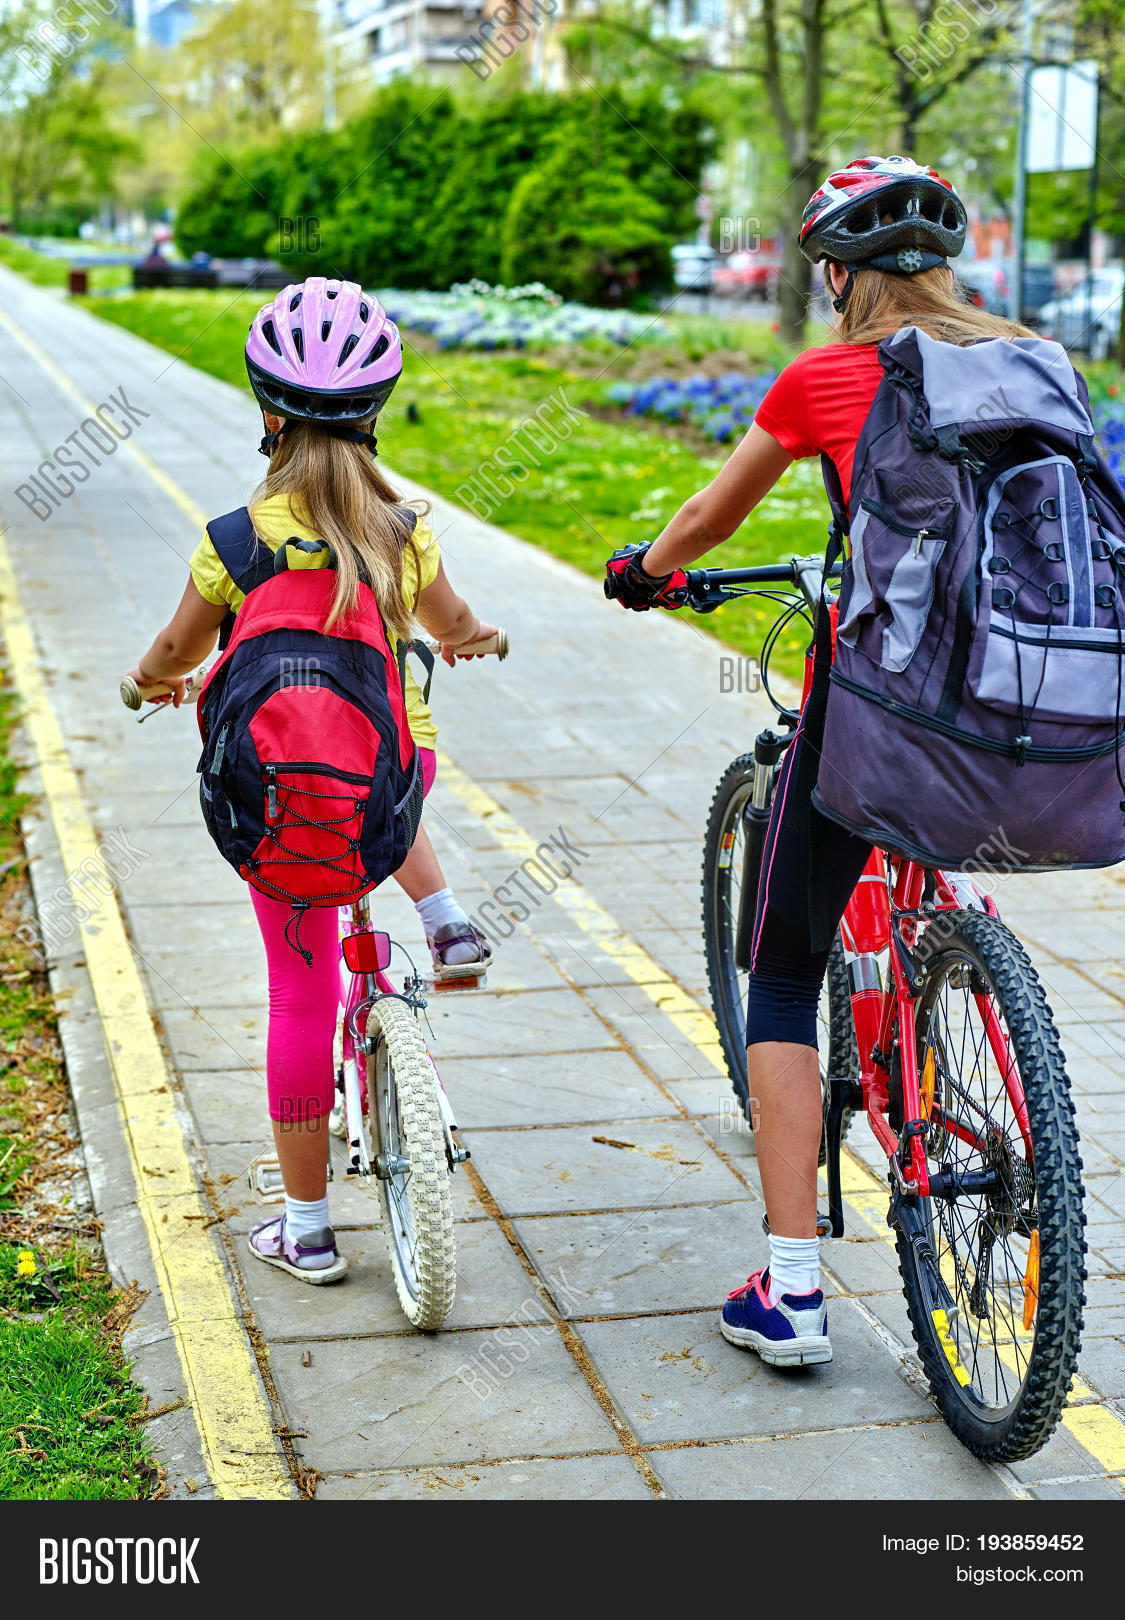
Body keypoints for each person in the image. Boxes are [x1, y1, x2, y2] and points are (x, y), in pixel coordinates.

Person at [605, 157, 1035, 1365]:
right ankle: (976, 1008)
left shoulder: (829, 376)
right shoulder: (1037, 362)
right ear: (950, 264)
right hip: (1022, 711)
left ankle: (792, 1293)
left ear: (839, 272)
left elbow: (711, 520)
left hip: (879, 711)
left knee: (784, 967)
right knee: (927, 874)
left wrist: (645, 573)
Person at [124, 277, 496, 1282]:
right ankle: (445, 910)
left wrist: (147, 681)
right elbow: (455, 624)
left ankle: (308, 1229)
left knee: (301, 989)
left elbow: (171, 647)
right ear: (376, 412)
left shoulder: (233, 544)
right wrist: (477, 639)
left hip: (279, 801)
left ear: (265, 412)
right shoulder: (403, 534)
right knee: (397, 776)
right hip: (383, 785)